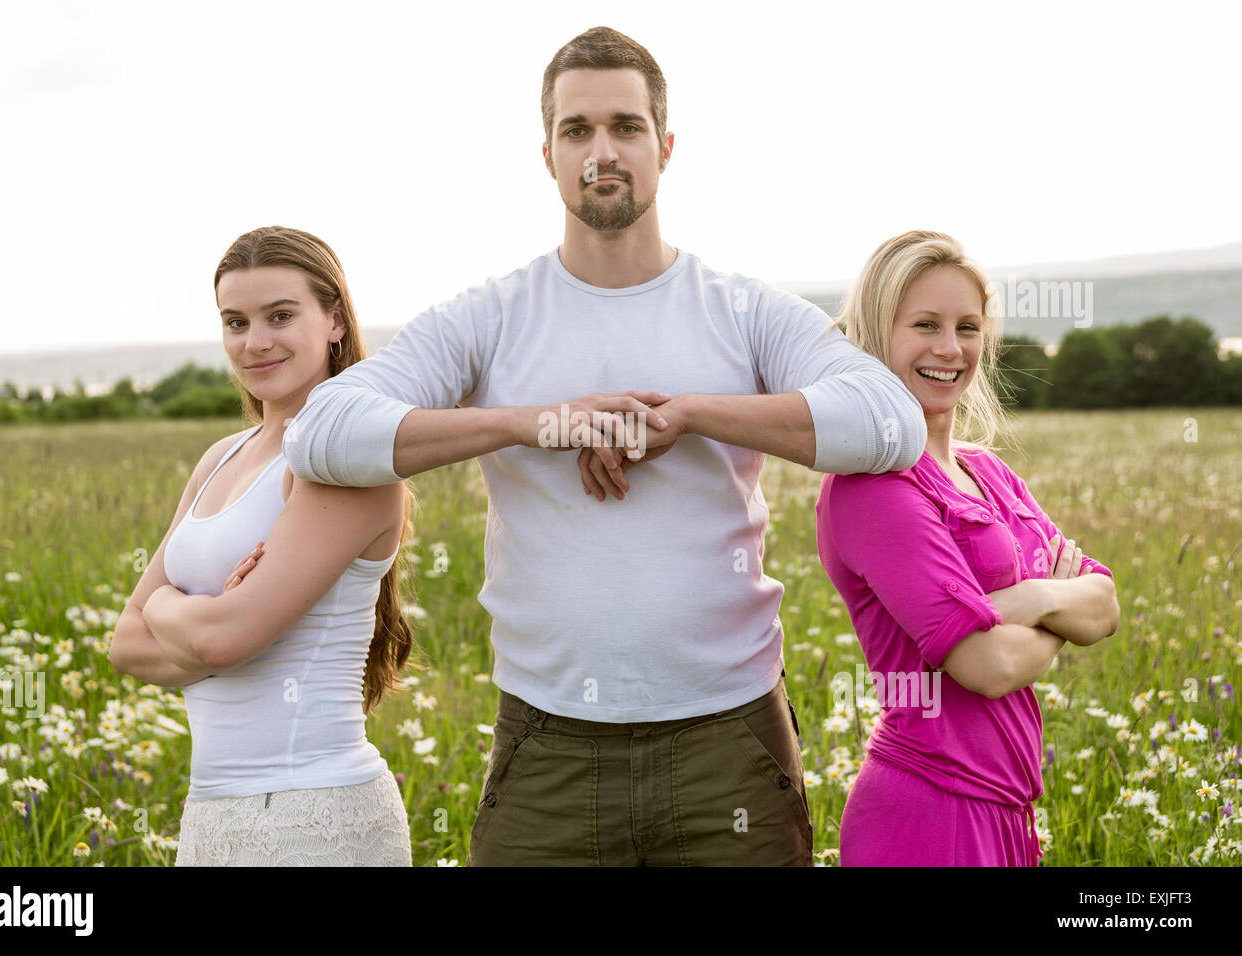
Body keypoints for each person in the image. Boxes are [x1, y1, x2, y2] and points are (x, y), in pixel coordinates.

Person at [282, 27, 928, 867]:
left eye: (625, 127)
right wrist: (530, 421)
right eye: (576, 130)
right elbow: (322, 432)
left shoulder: (742, 310)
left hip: (729, 743)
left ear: (664, 147)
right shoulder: (491, 315)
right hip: (548, 749)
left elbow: (889, 420)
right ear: (546, 154)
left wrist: (693, 414)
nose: (601, 151)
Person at [108, 226, 416, 866]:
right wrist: (213, 621)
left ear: (334, 320)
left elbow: (211, 640)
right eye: (235, 321)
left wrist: (169, 610)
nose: (255, 342)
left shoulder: (348, 463)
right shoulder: (221, 458)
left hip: (316, 814)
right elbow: (125, 644)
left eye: (280, 316)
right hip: (211, 817)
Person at [815, 230, 1121, 866]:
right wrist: (1047, 601)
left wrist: (1028, 603)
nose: (950, 349)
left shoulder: (989, 471)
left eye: (968, 327)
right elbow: (989, 668)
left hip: (1008, 812)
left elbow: (1104, 605)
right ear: (877, 336)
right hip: (929, 813)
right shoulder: (873, 490)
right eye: (925, 324)